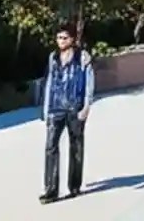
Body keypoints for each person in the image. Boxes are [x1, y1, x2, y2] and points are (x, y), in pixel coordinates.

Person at [40, 22, 95, 204]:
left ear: (72, 39)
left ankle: (74, 186)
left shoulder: (83, 57)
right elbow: (48, 83)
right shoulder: (53, 57)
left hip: (75, 108)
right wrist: (46, 110)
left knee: (76, 147)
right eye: (58, 38)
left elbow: (89, 83)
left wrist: (86, 106)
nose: (60, 41)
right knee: (50, 147)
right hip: (56, 108)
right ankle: (51, 190)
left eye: (64, 38)